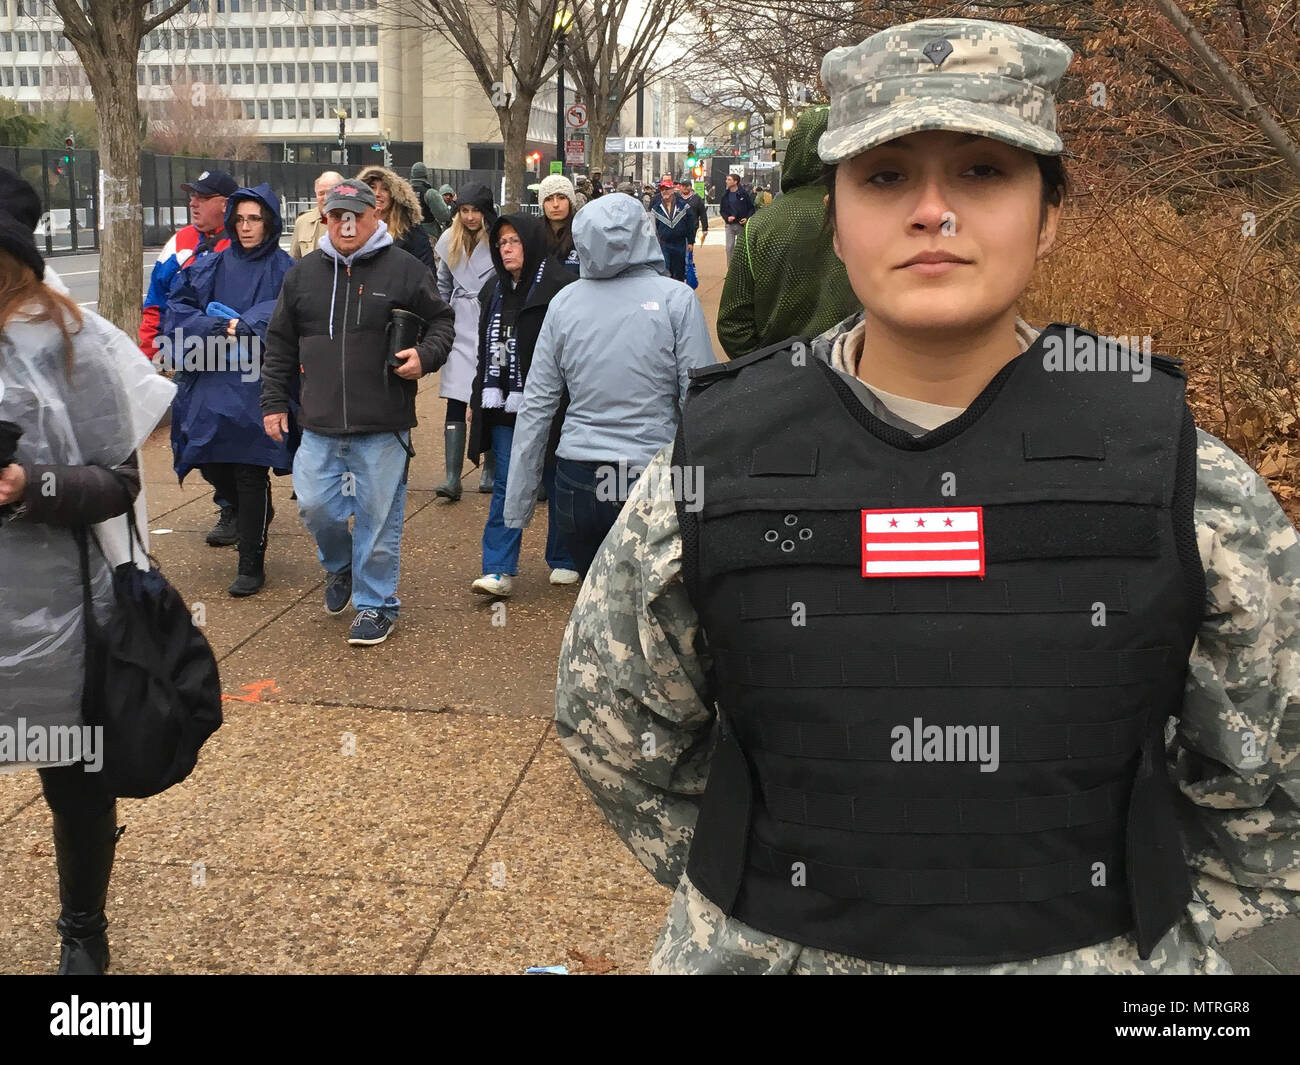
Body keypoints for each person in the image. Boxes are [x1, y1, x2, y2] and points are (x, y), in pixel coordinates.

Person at [551, 17, 1300, 975]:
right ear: (836, 216)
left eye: (984, 171)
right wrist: (766, 894)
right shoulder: (711, 464)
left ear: (1051, 211)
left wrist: (1121, 922)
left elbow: (1272, 776)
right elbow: (612, 728)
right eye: (887, 175)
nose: (933, 212)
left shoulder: (1184, 476)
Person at [1, 168, 175, 974]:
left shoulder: (74, 343)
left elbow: (121, 477)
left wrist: (29, 485)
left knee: (71, 772)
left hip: (56, 616)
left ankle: (83, 928)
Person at [261, 180, 455, 646]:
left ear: (375, 217)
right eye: (336, 215)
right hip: (319, 421)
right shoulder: (302, 274)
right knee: (313, 506)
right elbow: (280, 343)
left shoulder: (405, 269)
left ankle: (375, 605)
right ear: (325, 218)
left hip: (383, 421)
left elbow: (443, 321)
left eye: (356, 214)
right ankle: (340, 564)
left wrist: (424, 356)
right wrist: (271, 402)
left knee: (379, 519)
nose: (346, 223)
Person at [503, 193, 715, 575]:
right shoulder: (676, 300)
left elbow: (537, 404)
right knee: (656, 601)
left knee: (595, 598)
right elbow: (700, 401)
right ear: (644, 233)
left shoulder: (565, 303)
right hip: (652, 470)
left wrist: (518, 504)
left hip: (579, 475)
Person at [162, 183, 296, 597]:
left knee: (249, 465)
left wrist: (250, 323)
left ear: (269, 221)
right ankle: (244, 509)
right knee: (206, 453)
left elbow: (290, 308)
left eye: (255, 219)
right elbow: (178, 309)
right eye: (240, 219)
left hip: (261, 380)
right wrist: (221, 325)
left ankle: (251, 561)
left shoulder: (285, 268)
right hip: (214, 372)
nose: (246, 227)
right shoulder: (210, 265)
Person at [467, 213, 579, 596]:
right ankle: (498, 568)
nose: (507, 249)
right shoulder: (492, 291)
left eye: (514, 241)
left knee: (556, 479)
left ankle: (564, 558)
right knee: (507, 482)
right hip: (501, 402)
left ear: (530, 243)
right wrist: (475, 398)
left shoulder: (562, 286)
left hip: (552, 404)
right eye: (501, 243)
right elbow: (483, 352)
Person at [138, 169, 235, 547]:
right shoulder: (179, 242)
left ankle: (237, 506)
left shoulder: (244, 243)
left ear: (224, 205)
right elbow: (155, 303)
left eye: (203, 196)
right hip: (189, 361)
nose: (193, 202)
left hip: (234, 361)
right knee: (189, 437)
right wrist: (153, 354)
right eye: (192, 195)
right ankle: (233, 499)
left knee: (233, 437)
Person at [716, 106, 860, 358]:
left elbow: (733, 326)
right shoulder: (874, 217)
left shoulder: (759, 227)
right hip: (859, 377)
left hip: (783, 375)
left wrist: (772, 368)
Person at [433, 183, 498, 500]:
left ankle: (490, 468)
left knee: (491, 396)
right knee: (457, 398)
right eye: (464, 211)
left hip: (490, 320)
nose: (470, 217)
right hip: (459, 323)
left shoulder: (499, 239)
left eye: (475, 211)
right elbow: (442, 285)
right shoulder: (449, 240)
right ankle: (452, 477)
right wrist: (439, 321)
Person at [358, 165, 435, 271]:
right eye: (372, 187)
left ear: (394, 195)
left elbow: (426, 274)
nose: (377, 194)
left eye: (385, 189)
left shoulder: (412, 231)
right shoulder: (354, 227)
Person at [290, 170, 344, 261]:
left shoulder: (354, 221)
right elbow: (293, 262)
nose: (326, 198)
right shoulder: (303, 222)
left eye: (331, 192)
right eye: (321, 193)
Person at [650, 177, 696, 283]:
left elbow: (690, 225)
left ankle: (679, 294)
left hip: (680, 244)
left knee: (679, 271)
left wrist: (691, 241)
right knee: (665, 271)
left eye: (666, 189)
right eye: (662, 189)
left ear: (672, 190)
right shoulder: (656, 208)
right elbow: (653, 228)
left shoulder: (684, 206)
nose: (664, 191)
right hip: (664, 244)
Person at [536, 173, 580, 275]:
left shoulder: (583, 231)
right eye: (549, 199)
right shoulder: (533, 232)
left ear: (570, 201)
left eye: (561, 197)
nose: (555, 204)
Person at [408, 162, 454, 241]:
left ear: (412, 175)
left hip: (406, 235)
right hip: (428, 236)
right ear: (426, 175)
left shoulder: (404, 193)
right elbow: (444, 216)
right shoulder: (430, 193)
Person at [719, 172, 756, 264]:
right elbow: (722, 210)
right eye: (727, 179)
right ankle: (730, 269)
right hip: (729, 225)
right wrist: (727, 218)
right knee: (729, 247)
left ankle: (741, 267)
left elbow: (751, 208)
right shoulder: (725, 196)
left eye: (729, 179)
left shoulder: (744, 194)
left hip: (741, 225)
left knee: (741, 248)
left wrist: (747, 218)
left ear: (735, 182)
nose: (726, 181)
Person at [677, 179, 709, 246]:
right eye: (683, 186)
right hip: (678, 227)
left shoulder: (697, 198)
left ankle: (688, 256)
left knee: (689, 246)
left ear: (691, 187)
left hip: (692, 227)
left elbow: (703, 214)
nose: (685, 188)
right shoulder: (676, 198)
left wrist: (705, 228)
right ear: (680, 187)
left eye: (687, 186)